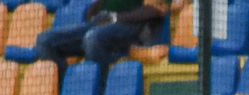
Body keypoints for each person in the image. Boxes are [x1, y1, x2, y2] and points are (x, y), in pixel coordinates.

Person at [35, 1, 167, 82]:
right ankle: (67, 86)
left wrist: (115, 18)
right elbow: (94, 11)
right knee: (44, 41)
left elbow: (156, 9)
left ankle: (99, 86)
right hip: (99, 23)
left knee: (92, 38)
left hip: (129, 25)